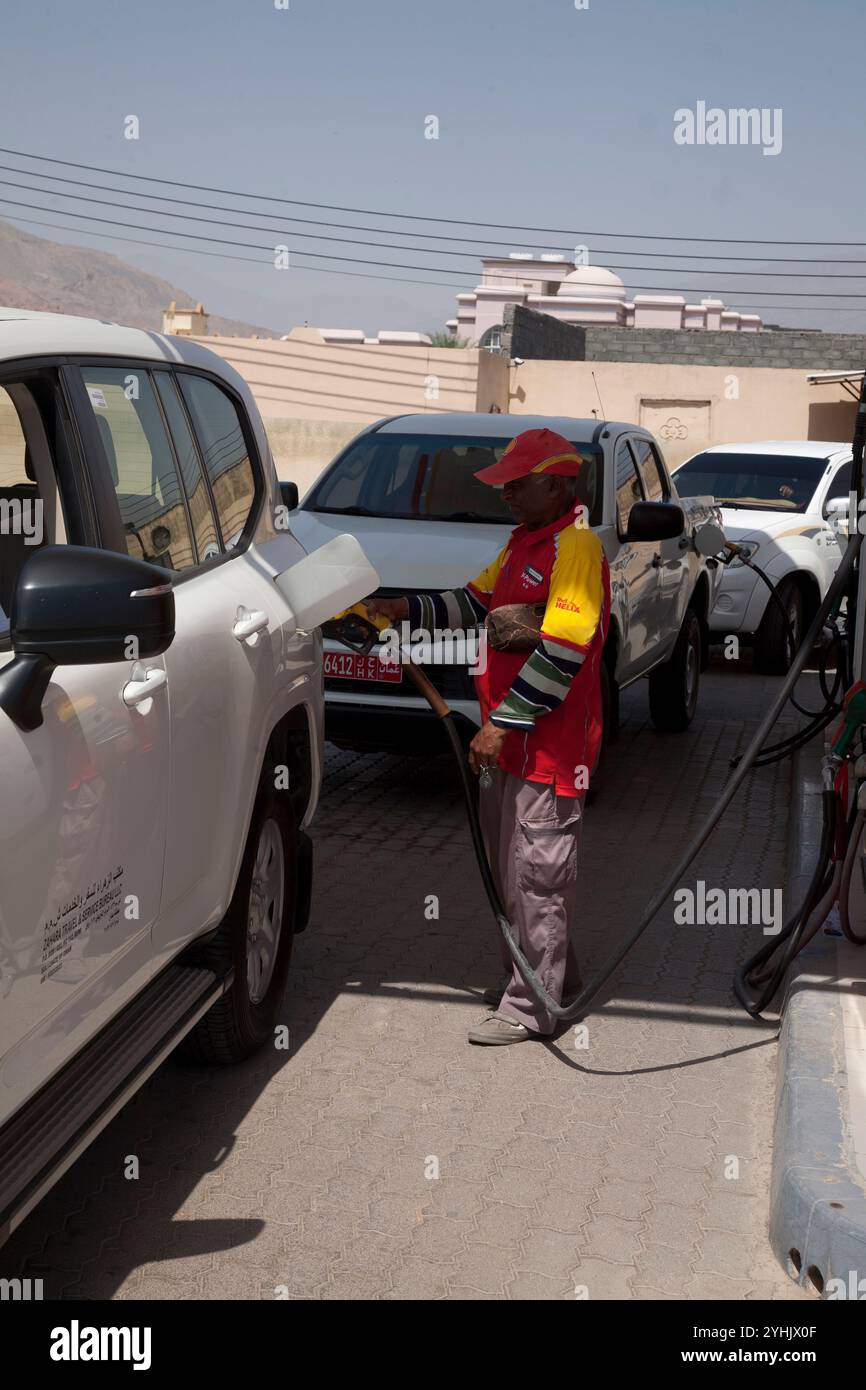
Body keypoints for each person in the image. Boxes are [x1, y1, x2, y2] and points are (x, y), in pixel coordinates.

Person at [369, 428, 611, 1045]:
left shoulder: (575, 549)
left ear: (556, 483)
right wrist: (403, 609)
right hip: (512, 747)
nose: (506, 494)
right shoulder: (523, 544)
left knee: (537, 875)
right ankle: (543, 978)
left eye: (517, 483)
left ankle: (534, 1008)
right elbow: (472, 604)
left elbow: (563, 651)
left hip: (546, 752)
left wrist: (501, 725)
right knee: (518, 875)